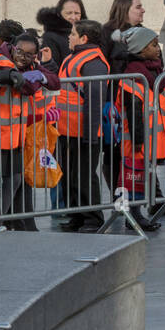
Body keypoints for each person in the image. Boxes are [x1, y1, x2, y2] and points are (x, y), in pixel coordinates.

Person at [0, 24, 58, 231]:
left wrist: (40, 76)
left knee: (16, 179)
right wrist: (12, 76)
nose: (23, 57)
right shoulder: (2, 60)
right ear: (13, 47)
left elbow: (53, 81)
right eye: (20, 52)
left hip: (16, 135)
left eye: (29, 55)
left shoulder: (30, 66)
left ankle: (9, 222)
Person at [57, 19, 109, 233]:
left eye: (72, 33)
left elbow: (94, 98)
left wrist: (90, 134)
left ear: (84, 38)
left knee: (85, 176)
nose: (69, 36)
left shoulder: (93, 60)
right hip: (68, 129)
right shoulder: (75, 57)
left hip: (83, 131)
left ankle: (93, 219)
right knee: (70, 176)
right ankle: (77, 216)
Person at [114, 26, 165, 231]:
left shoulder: (152, 71)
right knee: (133, 180)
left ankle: (141, 212)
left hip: (148, 141)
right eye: (153, 45)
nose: (158, 48)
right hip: (137, 141)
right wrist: (138, 140)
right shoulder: (134, 76)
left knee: (142, 178)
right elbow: (134, 112)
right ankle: (134, 215)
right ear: (140, 49)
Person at [36, 0, 87, 73]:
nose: (73, 17)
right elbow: (51, 69)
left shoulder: (87, 33)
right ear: (59, 13)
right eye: (69, 13)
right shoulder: (49, 37)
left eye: (77, 13)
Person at [102, 0, 144, 69]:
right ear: (125, 9)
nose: (143, 10)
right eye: (138, 7)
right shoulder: (106, 31)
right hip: (117, 79)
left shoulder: (144, 32)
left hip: (143, 79)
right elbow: (102, 61)